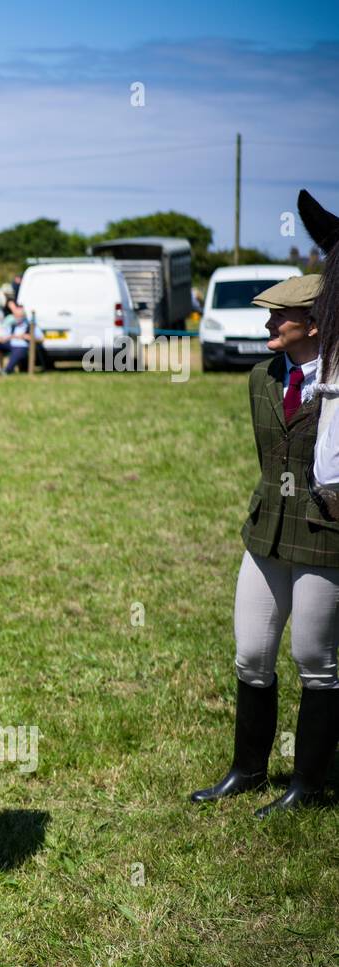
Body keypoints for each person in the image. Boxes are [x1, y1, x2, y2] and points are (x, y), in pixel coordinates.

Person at [192, 273, 339, 817]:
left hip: (327, 537)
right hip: (266, 531)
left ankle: (308, 784)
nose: (268, 322)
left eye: (280, 315)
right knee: (252, 653)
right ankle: (248, 769)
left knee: (314, 660)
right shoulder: (260, 376)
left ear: (317, 322)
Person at [0, 303, 43, 374]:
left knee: (18, 350)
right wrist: (11, 336)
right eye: (15, 316)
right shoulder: (12, 325)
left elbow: (41, 339)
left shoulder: (30, 326)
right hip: (10, 344)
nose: (17, 318)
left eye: (19, 316)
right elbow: (2, 338)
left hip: (22, 346)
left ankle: (7, 370)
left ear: (23, 316)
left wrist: (28, 337)